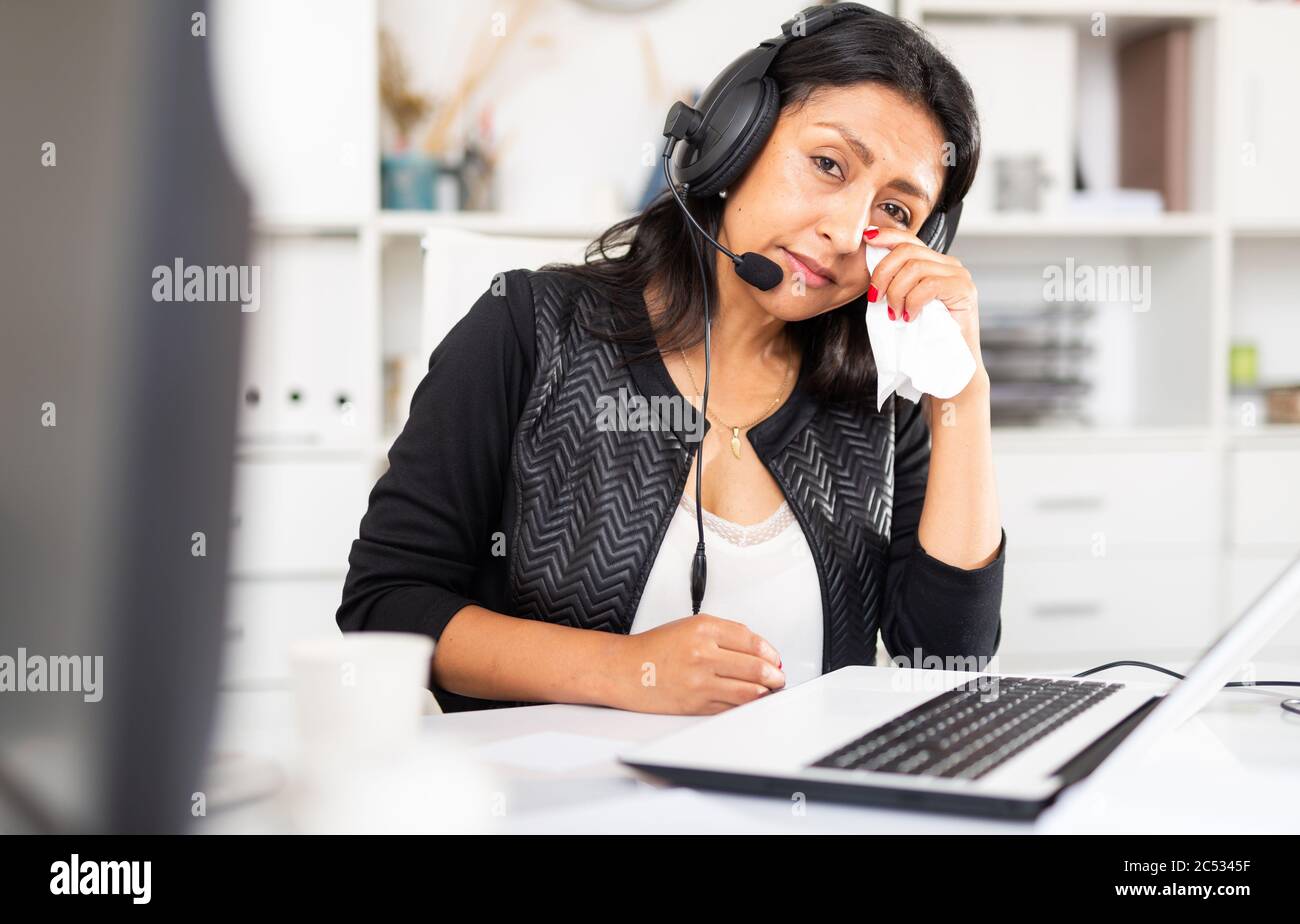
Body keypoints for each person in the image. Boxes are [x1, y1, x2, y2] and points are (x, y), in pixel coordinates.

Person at [337, 10, 1005, 715]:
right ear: (736, 138)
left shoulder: (880, 395)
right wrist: (622, 669)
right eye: (828, 164)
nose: (845, 233)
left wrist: (963, 392)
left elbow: (947, 659)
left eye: (895, 211)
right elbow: (385, 606)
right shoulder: (528, 328)